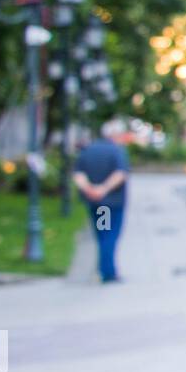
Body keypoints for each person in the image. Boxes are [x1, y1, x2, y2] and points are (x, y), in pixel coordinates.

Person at [73, 118, 130, 283]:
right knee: (109, 235)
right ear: (116, 134)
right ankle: (108, 272)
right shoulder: (117, 151)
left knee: (102, 234)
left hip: (97, 203)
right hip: (111, 203)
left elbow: (78, 174)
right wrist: (103, 189)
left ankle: (103, 268)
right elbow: (120, 174)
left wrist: (89, 189)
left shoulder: (89, 150)